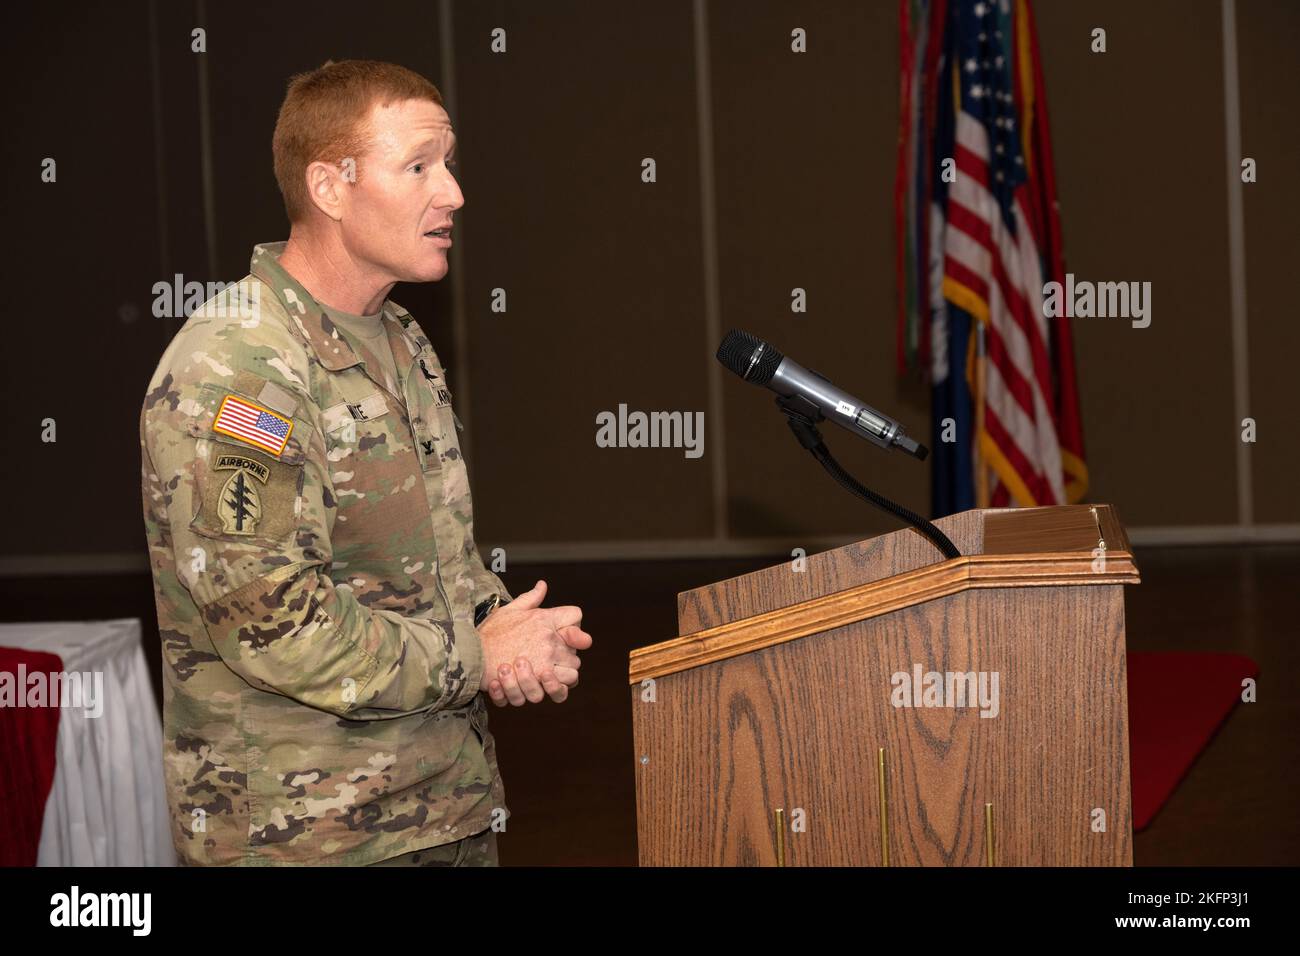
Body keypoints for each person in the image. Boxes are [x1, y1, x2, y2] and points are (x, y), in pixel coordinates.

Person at [139, 59, 591, 866]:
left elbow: (422, 566)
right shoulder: (242, 366)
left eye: (448, 164)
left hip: (439, 804)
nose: (451, 192)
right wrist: (478, 657)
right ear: (331, 187)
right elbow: (277, 625)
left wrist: (507, 626)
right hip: (307, 834)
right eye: (418, 166)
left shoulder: (400, 336)